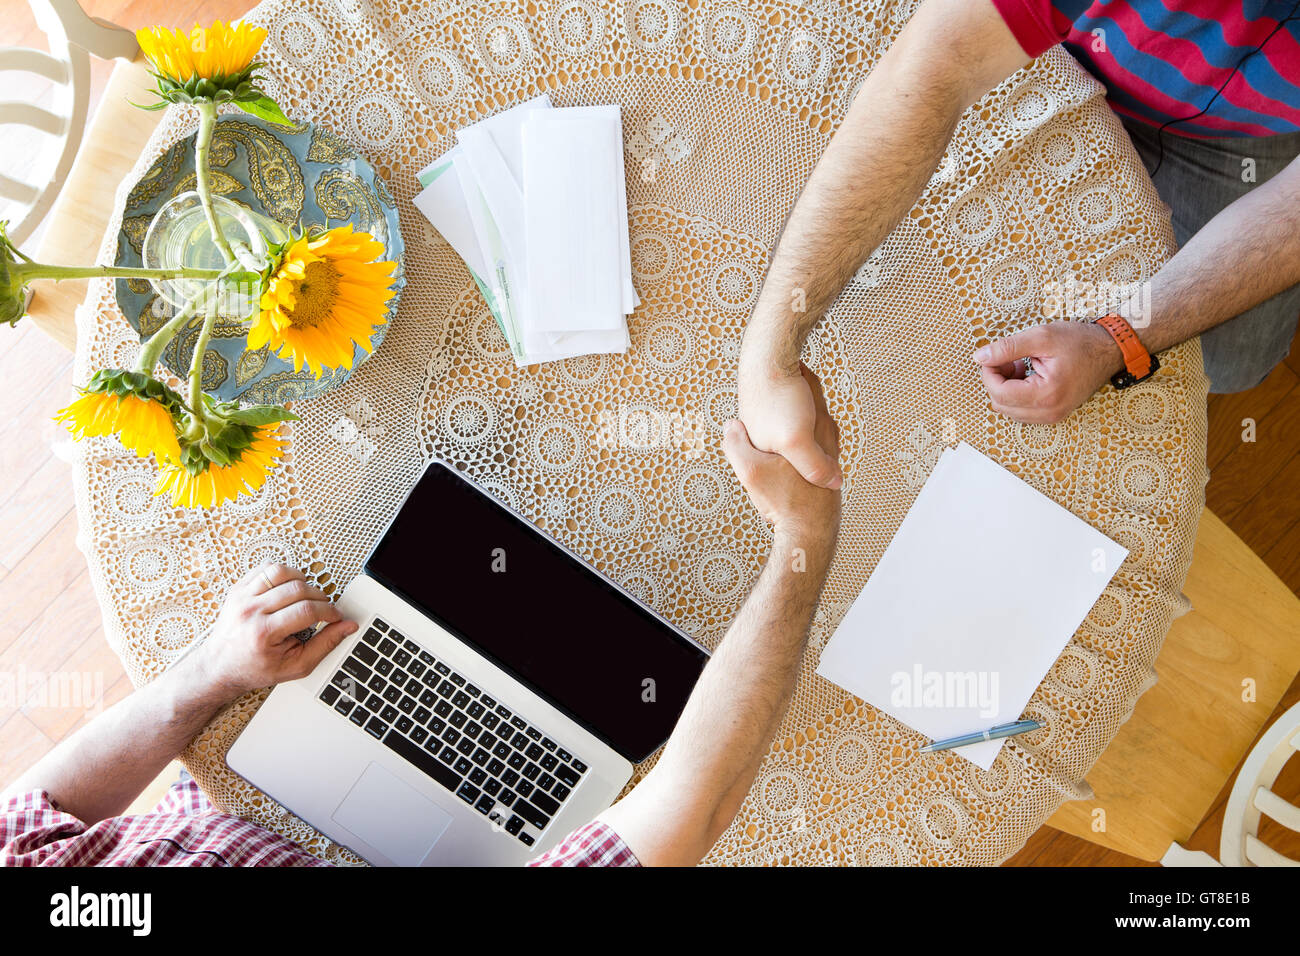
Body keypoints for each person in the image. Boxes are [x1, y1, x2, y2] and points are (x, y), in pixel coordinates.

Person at [0, 369, 840, 867]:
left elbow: (39, 815)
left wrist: (206, 676)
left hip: (225, 794)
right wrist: (804, 539)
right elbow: (693, 808)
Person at [740, 0, 1300, 477]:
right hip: (1058, 45)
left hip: (1243, 136)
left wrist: (1117, 341)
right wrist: (769, 356)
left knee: (1230, 363)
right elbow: (943, 57)